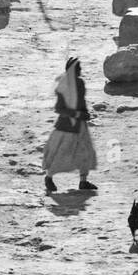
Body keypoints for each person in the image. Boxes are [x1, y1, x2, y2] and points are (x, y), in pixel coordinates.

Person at [42, 57, 97, 193]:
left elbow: (81, 101)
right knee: (61, 154)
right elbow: (59, 108)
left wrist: (85, 113)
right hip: (66, 126)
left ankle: (83, 181)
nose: (81, 71)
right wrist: (78, 114)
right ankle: (49, 178)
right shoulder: (63, 85)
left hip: (79, 125)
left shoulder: (79, 83)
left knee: (85, 152)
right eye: (78, 68)